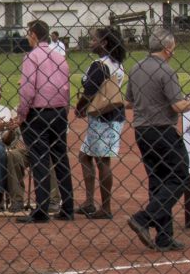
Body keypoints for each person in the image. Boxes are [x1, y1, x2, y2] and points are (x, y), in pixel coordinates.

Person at [125, 27, 190, 251]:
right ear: (168, 48)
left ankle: (164, 235)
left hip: (142, 131)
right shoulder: (166, 71)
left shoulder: (136, 68)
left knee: (158, 180)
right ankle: (144, 218)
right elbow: (177, 105)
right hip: (163, 130)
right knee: (179, 175)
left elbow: (129, 101)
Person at [17, 20, 74, 222]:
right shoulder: (60, 57)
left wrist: (22, 114)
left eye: (28, 33)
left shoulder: (31, 57)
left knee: (39, 158)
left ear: (33, 34)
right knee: (61, 159)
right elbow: (66, 87)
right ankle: (68, 207)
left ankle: (41, 209)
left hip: (37, 112)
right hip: (58, 110)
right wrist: (64, 110)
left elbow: (27, 89)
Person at [74, 27, 128, 219]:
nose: (91, 42)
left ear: (104, 43)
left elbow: (90, 89)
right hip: (113, 114)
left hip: (102, 116)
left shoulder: (100, 65)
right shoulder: (116, 63)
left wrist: (80, 107)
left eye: (94, 39)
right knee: (85, 155)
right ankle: (89, 202)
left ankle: (105, 207)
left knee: (102, 159)